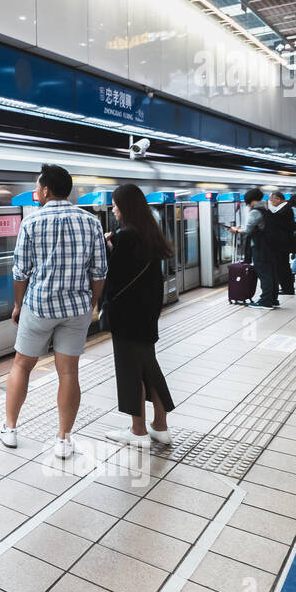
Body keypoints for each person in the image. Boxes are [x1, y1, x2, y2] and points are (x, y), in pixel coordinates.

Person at [0, 164, 107, 459]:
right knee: (69, 372)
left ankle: (10, 429)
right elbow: (99, 271)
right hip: (77, 307)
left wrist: (19, 305)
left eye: (38, 186)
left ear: (46, 190)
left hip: (40, 305)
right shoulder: (91, 222)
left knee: (21, 365)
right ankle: (63, 439)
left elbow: (20, 272)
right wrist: (91, 303)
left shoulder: (31, 223)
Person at [100, 184, 177, 448]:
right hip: (147, 314)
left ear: (126, 206)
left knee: (130, 371)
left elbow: (115, 278)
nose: (113, 208)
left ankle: (138, 431)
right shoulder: (150, 233)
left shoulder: (125, 236)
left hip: (127, 316)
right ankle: (160, 426)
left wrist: (110, 247)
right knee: (149, 369)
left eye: (115, 204)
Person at [230, 188, 279, 308]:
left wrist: (235, 230)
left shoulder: (255, 211)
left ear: (250, 200)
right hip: (269, 246)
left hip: (261, 248)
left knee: (264, 274)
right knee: (271, 273)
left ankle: (265, 301)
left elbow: (248, 230)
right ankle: (272, 299)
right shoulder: (266, 209)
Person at [265, 190, 296, 297]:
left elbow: (281, 223)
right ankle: (286, 287)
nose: (271, 203)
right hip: (282, 244)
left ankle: (287, 288)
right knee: (282, 266)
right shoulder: (283, 209)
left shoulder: (285, 209)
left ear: (278, 199)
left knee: (282, 267)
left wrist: (268, 214)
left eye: (271, 201)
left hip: (282, 244)